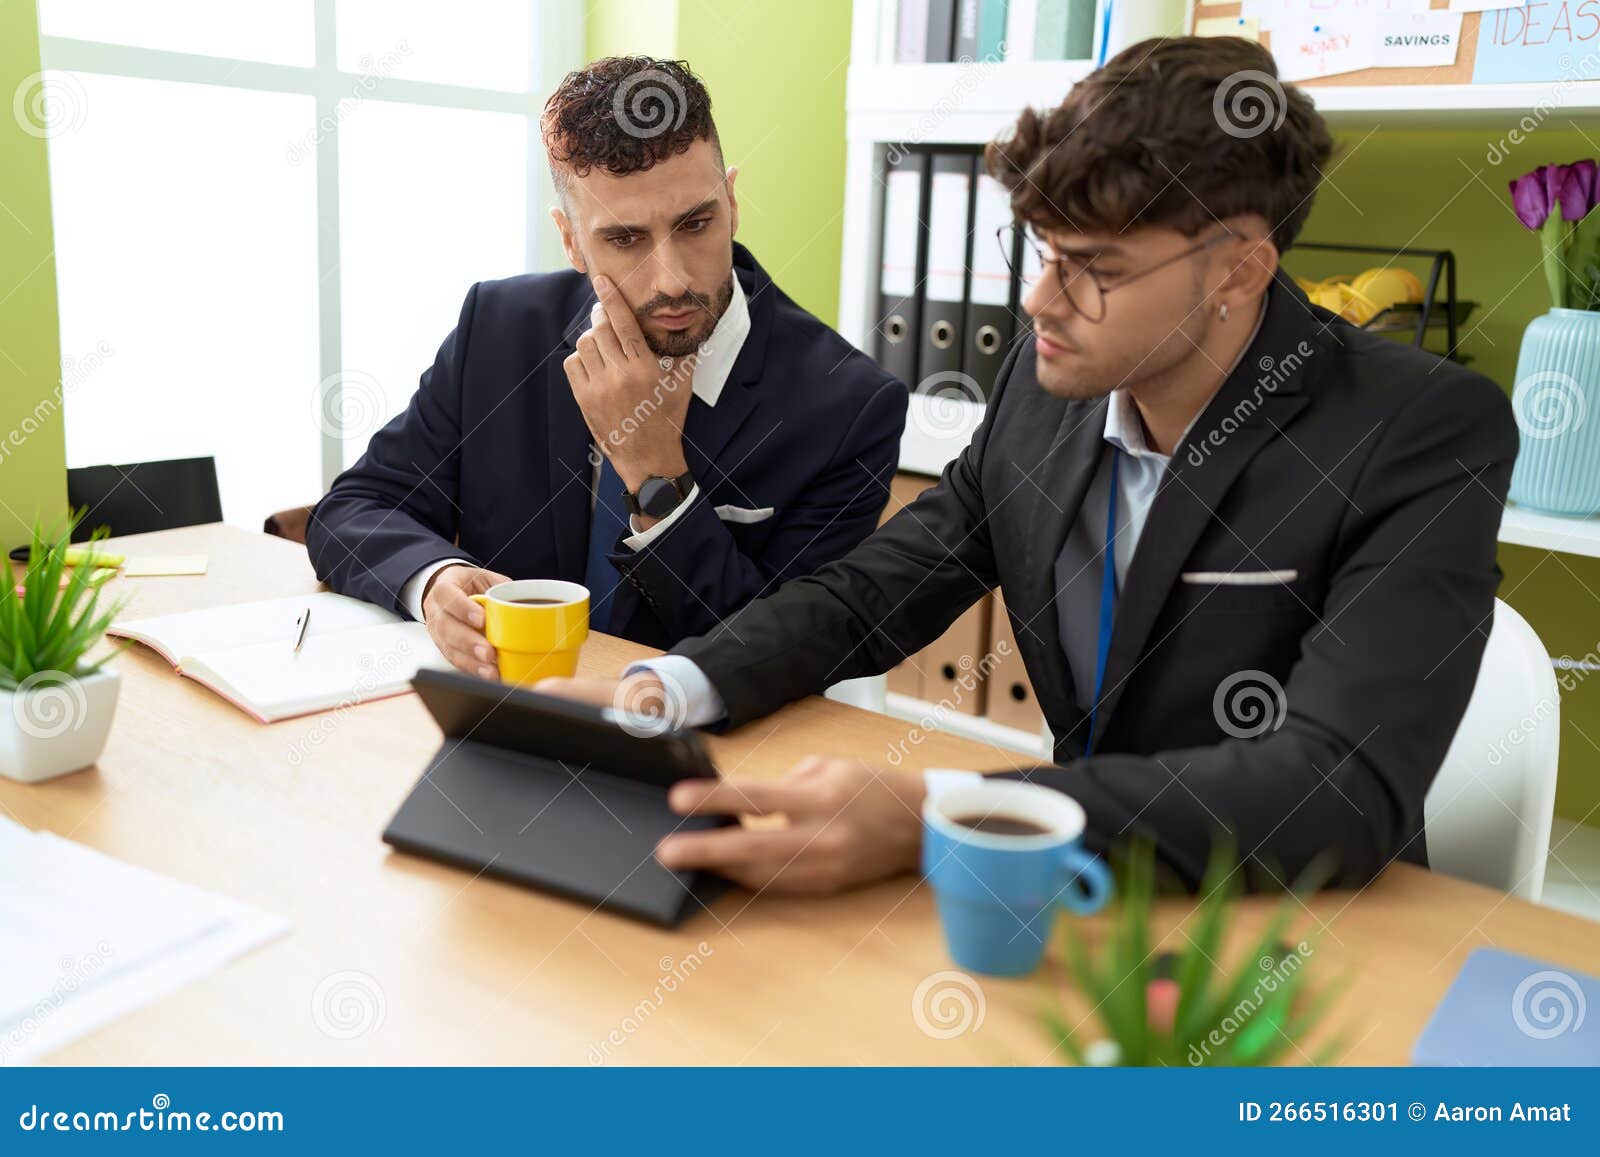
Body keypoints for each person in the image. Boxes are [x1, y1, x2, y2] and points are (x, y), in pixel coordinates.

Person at [538, 37, 1519, 896]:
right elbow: (864, 598)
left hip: (1282, 922)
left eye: (1094, 267)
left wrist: (939, 807)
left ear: (1237, 270)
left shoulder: (1422, 429)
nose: (1041, 302)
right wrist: (671, 687)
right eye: (1040, 250)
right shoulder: (1048, 387)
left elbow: (1332, 788)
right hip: (1058, 900)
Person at [306, 57, 908, 674]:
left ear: (731, 201)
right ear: (570, 240)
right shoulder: (500, 327)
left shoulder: (851, 407)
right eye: (624, 239)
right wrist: (434, 583)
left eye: (696, 224)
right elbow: (356, 507)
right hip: (503, 717)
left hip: (699, 750)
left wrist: (657, 478)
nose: (671, 280)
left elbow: (779, 655)